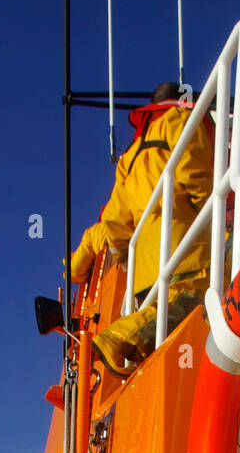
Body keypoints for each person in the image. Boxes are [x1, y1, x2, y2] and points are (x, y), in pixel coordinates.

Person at [71, 81, 215, 374]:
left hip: (144, 272)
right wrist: (216, 211)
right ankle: (118, 337)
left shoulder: (130, 156)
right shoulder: (181, 121)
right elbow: (198, 174)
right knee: (202, 301)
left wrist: (124, 258)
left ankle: (135, 352)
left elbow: (114, 219)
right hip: (183, 251)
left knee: (163, 334)